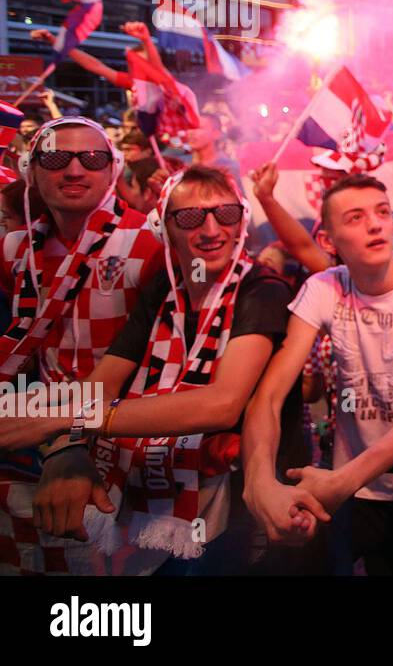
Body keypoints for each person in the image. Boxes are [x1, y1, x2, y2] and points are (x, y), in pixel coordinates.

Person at [0, 167, 305, 573]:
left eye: (226, 214)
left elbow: (222, 405)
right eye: (192, 217)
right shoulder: (165, 285)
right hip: (156, 493)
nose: (212, 230)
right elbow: (104, 383)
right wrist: (65, 447)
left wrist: (67, 420)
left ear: (242, 221)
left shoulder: (261, 288)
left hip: (237, 497)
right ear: (167, 229)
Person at [242, 173, 393, 576]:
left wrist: (342, 481)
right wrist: (258, 483)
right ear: (329, 241)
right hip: (358, 490)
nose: (375, 224)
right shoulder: (323, 287)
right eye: (355, 217)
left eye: (383, 212)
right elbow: (270, 396)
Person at [0, 117, 165, 574]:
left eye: (91, 158)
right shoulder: (16, 250)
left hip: (124, 440)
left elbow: (158, 363)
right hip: (38, 436)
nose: (74, 170)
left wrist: (71, 437)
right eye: (56, 157)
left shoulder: (150, 243)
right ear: (31, 171)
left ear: (112, 170)